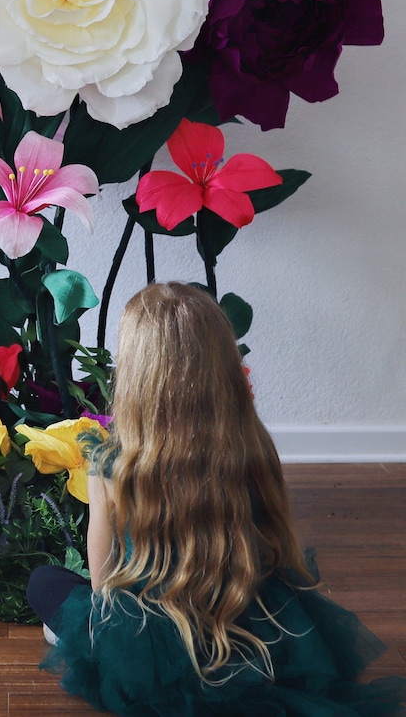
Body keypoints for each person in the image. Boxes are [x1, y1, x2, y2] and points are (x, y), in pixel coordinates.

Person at [27, 282, 404, 716]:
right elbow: (276, 543)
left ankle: (84, 638)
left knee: (45, 583)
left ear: (136, 375)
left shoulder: (111, 463)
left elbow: (102, 579)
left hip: (150, 637)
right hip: (245, 621)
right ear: (222, 367)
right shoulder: (253, 447)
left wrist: (104, 629)